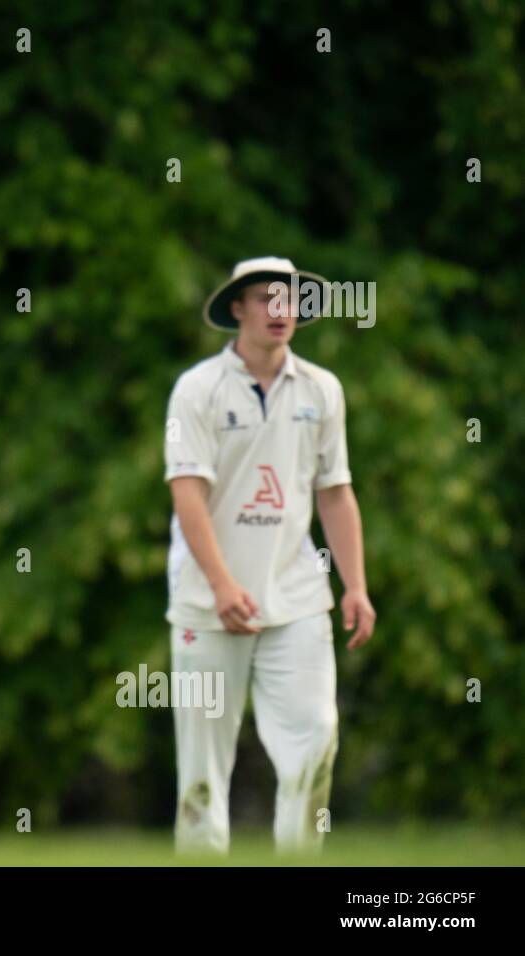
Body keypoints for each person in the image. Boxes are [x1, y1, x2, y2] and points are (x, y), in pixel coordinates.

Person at [163, 256, 376, 852]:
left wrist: (354, 585)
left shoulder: (322, 390)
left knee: (316, 739)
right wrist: (223, 585)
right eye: (265, 299)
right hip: (208, 604)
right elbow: (187, 493)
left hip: (298, 597)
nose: (281, 311)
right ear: (238, 308)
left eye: (289, 300)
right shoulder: (198, 389)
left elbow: (335, 492)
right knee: (202, 777)